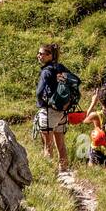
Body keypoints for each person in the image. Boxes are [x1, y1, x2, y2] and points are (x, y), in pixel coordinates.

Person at [35, 42, 70, 172]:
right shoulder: (61, 67)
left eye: (41, 54)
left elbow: (39, 91)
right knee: (60, 144)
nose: (38, 56)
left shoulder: (46, 71)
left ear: (50, 55)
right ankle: (64, 169)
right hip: (62, 111)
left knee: (47, 145)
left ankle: (48, 172)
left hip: (49, 111)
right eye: (38, 53)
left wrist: (41, 103)